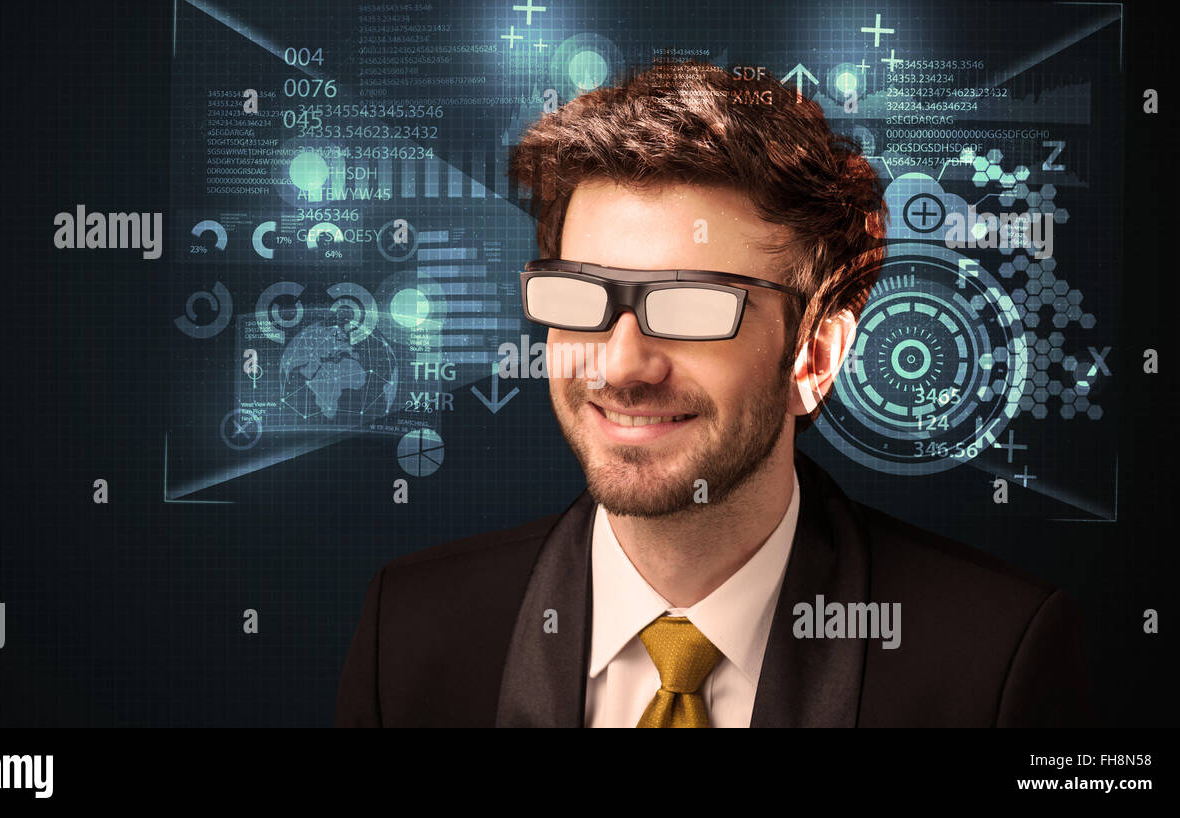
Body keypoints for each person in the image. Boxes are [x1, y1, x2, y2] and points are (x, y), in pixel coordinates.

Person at [335, 60, 1095, 727]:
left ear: (815, 354)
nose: (623, 365)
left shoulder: (994, 662)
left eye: (693, 306)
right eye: (582, 294)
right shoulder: (408, 634)